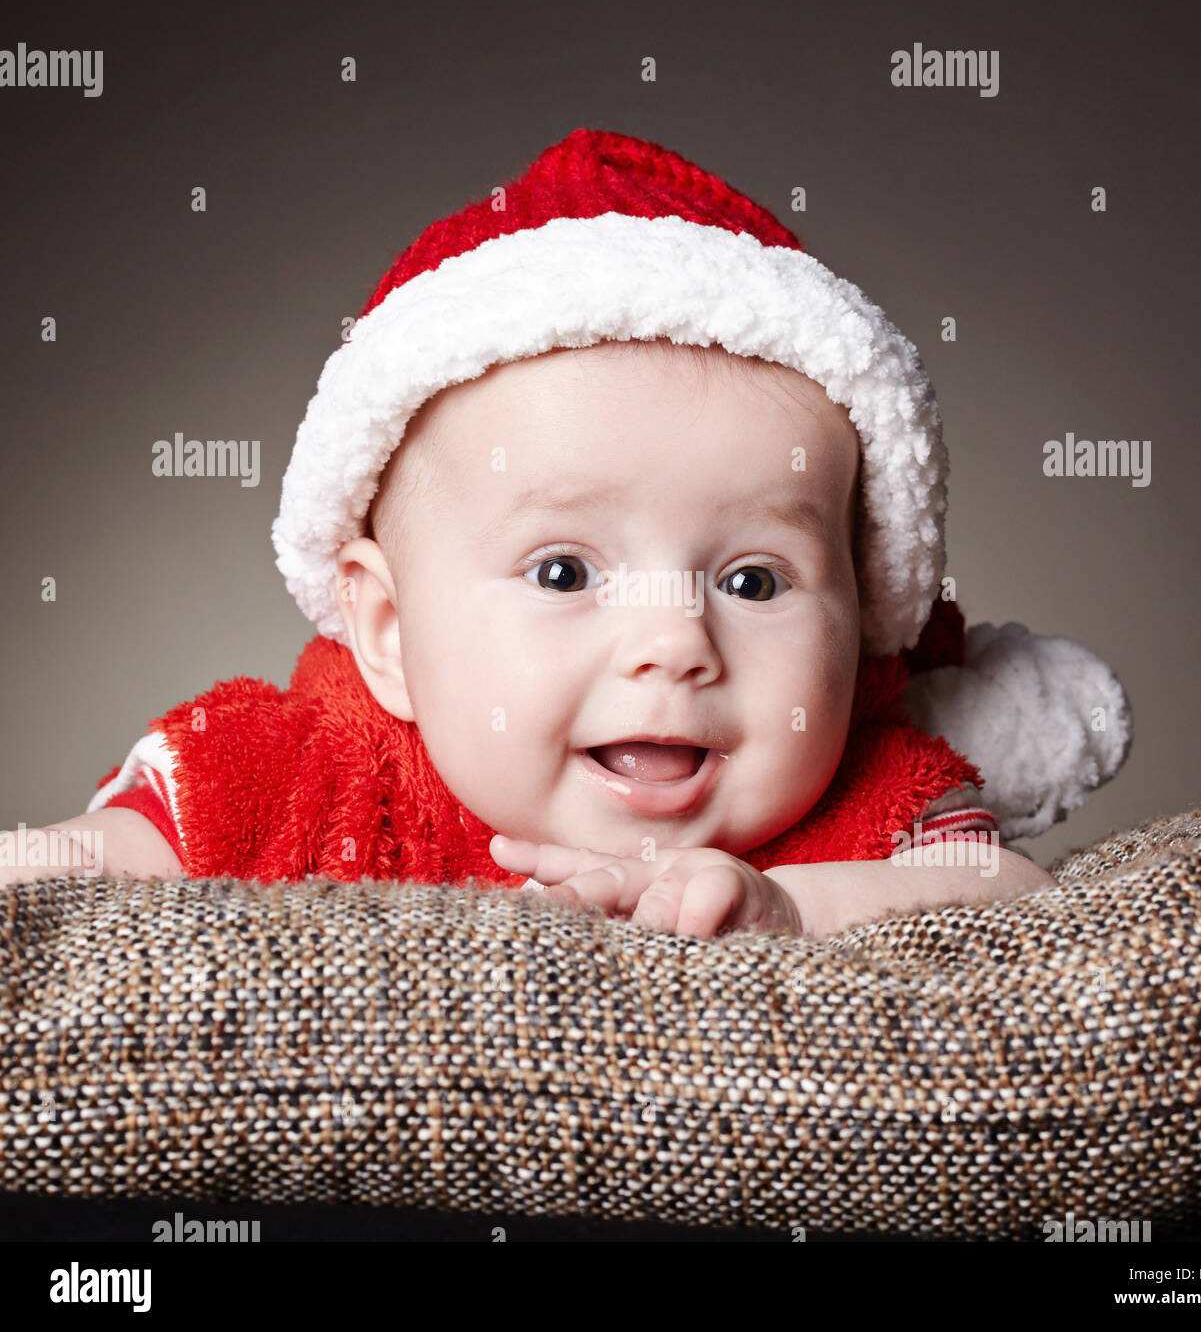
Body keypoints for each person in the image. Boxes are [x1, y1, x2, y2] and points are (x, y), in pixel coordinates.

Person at [4, 129, 1132, 937]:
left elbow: (1015, 910)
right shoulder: (317, 768)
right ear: (390, 632)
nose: (674, 644)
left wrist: (792, 908)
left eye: (753, 579)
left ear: (861, 613)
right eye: (563, 570)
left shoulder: (859, 797)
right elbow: (93, 864)